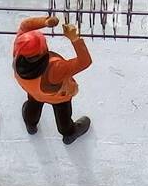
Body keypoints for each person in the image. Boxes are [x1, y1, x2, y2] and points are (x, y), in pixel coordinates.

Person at [12, 15, 93, 144]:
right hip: (57, 97)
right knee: (63, 116)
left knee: (32, 105)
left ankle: (31, 125)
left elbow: (25, 26)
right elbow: (85, 61)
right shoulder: (55, 69)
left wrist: (45, 21)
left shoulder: (19, 51)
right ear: (43, 50)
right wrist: (74, 38)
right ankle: (69, 133)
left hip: (33, 91)